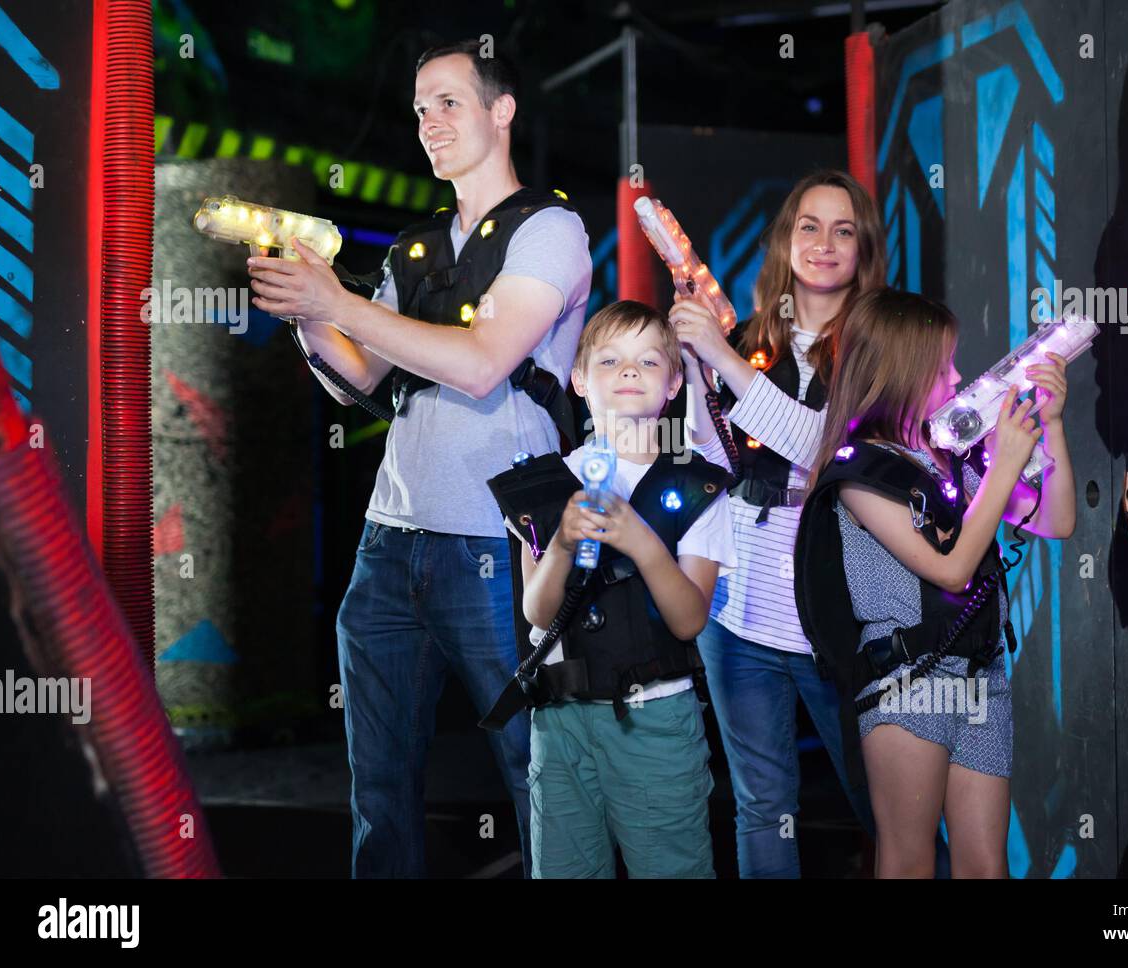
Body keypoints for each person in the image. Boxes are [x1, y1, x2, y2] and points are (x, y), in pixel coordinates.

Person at [246, 39, 591, 877]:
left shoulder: (551, 227)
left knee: (533, 770)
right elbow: (359, 381)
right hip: (389, 541)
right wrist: (309, 311)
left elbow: (480, 362)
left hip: (497, 543)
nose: (428, 122)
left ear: (501, 109)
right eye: (419, 108)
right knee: (380, 784)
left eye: (448, 101)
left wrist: (340, 303)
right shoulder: (415, 246)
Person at [794, 287, 1077, 877]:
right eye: (941, 366)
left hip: (982, 679)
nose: (955, 378)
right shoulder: (860, 469)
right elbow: (950, 566)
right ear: (899, 372)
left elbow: (1056, 519)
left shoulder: (955, 454)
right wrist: (1001, 467)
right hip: (909, 682)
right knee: (908, 863)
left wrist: (1049, 425)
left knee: (984, 866)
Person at [668, 169, 884, 876]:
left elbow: (829, 452)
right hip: (738, 613)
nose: (823, 244)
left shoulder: (880, 343)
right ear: (785, 239)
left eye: (842, 230)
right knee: (763, 808)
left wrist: (723, 360)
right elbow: (713, 454)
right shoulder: (751, 335)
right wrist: (701, 368)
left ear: (863, 249)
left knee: (883, 806)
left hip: (837, 617)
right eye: (808, 226)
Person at [485, 300, 736, 878]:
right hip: (561, 724)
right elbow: (537, 613)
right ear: (578, 379)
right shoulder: (543, 486)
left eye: (649, 361)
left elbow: (689, 619)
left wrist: (644, 542)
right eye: (610, 360)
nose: (629, 372)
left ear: (674, 383)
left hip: (655, 722)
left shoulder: (696, 487)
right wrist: (565, 544)